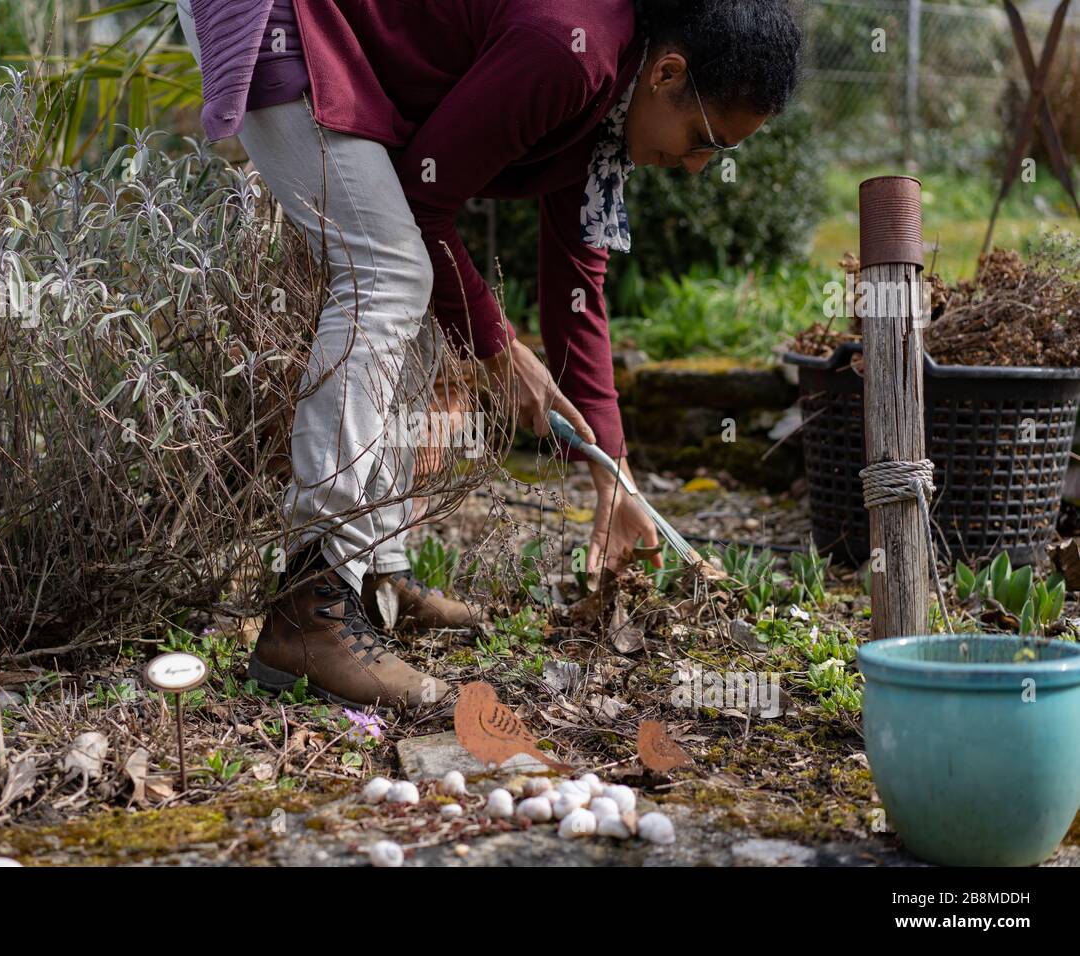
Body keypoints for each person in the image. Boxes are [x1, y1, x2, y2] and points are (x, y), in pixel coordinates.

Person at [176, 0, 803, 709]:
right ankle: (310, 606)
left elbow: (576, 275)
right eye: (704, 140)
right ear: (667, 73)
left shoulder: (611, 89)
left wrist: (615, 476)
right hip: (282, 19)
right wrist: (500, 350)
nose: (694, 168)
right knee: (390, 272)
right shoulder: (571, 53)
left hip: (334, 31)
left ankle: (374, 573)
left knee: (409, 284)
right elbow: (426, 195)